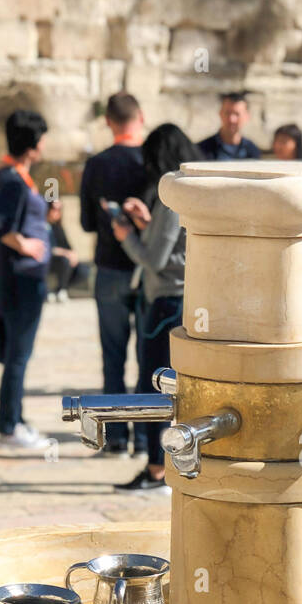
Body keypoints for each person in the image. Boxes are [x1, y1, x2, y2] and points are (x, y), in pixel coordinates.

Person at [109, 124, 198, 492]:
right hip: (188, 298)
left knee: (153, 384)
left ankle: (156, 470)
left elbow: (157, 259)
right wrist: (146, 222)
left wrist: (126, 236)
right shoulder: (196, 191)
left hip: (163, 302)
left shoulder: (170, 195)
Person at [80, 92, 150, 457]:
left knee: (113, 357)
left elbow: (87, 223)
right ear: (141, 117)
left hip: (109, 268)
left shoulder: (96, 164)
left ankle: (118, 437)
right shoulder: (152, 162)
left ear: (108, 121)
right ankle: (145, 438)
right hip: (146, 270)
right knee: (147, 357)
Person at [0, 109, 52, 449]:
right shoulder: (11, 179)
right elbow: (0, 225)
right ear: (32, 144)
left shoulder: (5, 174)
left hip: (13, 278)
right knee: (18, 356)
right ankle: (10, 425)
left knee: (17, 355)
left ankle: (14, 417)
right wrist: (26, 244)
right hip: (21, 280)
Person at [46, 199, 88, 302]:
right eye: (54, 209)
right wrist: (66, 253)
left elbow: (68, 246)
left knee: (84, 270)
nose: (57, 212)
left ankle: (59, 290)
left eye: (60, 209)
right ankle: (60, 290)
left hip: (62, 259)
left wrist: (73, 254)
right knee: (65, 260)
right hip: (49, 260)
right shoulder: (44, 226)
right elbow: (48, 248)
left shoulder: (59, 227)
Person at [198, 92, 261, 160]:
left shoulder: (252, 150)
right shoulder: (202, 149)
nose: (232, 119)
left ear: (247, 116)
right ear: (220, 113)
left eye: (237, 114)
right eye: (227, 113)